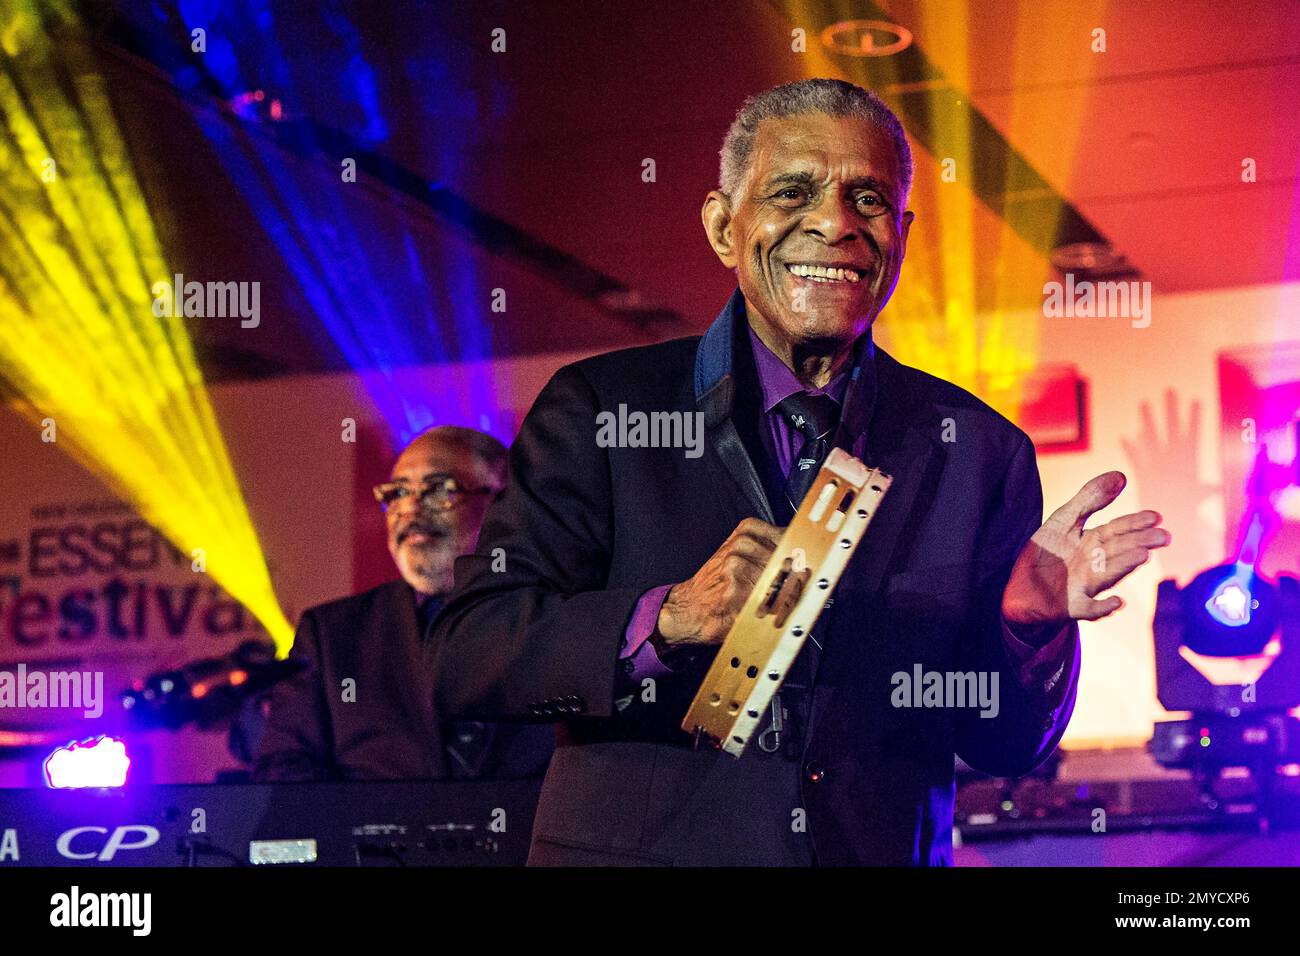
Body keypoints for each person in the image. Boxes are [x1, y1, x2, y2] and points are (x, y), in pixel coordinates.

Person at [431, 78, 1169, 864]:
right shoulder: (598, 408)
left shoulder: (980, 451)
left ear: (903, 233)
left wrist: (1027, 630)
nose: (834, 222)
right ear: (723, 226)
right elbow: (466, 657)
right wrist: (668, 617)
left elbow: (1005, 744)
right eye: (793, 191)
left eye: (869, 200)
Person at [253, 425, 553, 781]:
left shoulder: (558, 614)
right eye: (397, 492)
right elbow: (285, 766)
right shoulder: (333, 634)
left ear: (507, 504)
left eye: (440, 489)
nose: (409, 509)